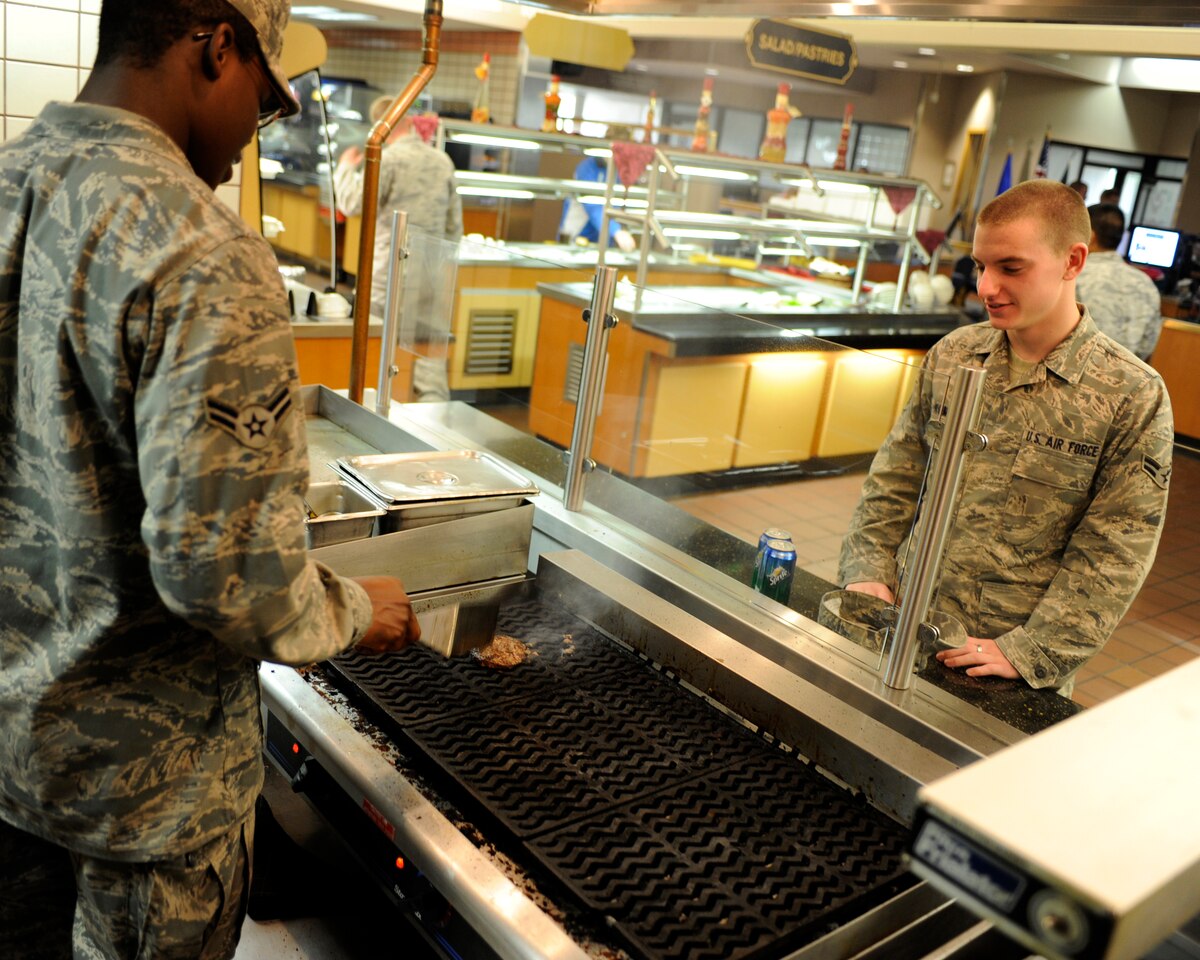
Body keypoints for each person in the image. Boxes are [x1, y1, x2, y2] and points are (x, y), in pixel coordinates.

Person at [0, 2, 420, 958]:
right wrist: (356, 610)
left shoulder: (10, 181)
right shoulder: (205, 251)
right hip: (150, 803)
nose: (252, 137)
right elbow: (224, 572)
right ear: (216, 44)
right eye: (264, 103)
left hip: (13, 757)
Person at [838, 180, 1172, 694]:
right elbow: (896, 475)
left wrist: (1033, 650)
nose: (986, 288)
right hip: (903, 620)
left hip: (1000, 662)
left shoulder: (1131, 394)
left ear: (1072, 261)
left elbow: (1114, 549)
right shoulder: (955, 355)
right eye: (980, 266)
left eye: (1011, 268)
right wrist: (868, 569)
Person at [335, 96, 463, 401]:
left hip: (389, 274)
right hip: (431, 276)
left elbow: (352, 203)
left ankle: (378, 415)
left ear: (383, 125)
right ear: (410, 122)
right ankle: (434, 426)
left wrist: (344, 169)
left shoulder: (388, 159)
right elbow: (454, 228)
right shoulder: (442, 161)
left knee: (379, 351)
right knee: (428, 357)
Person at [1076, 202, 1164, 360]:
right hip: (1129, 379)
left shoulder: (1073, 276)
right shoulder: (1146, 284)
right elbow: (1149, 343)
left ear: (1091, 236)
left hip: (1073, 376)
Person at [559, 125, 638, 252]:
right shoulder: (586, 168)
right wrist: (617, 232)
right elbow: (594, 208)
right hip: (576, 236)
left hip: (604, 240)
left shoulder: (618, 172)